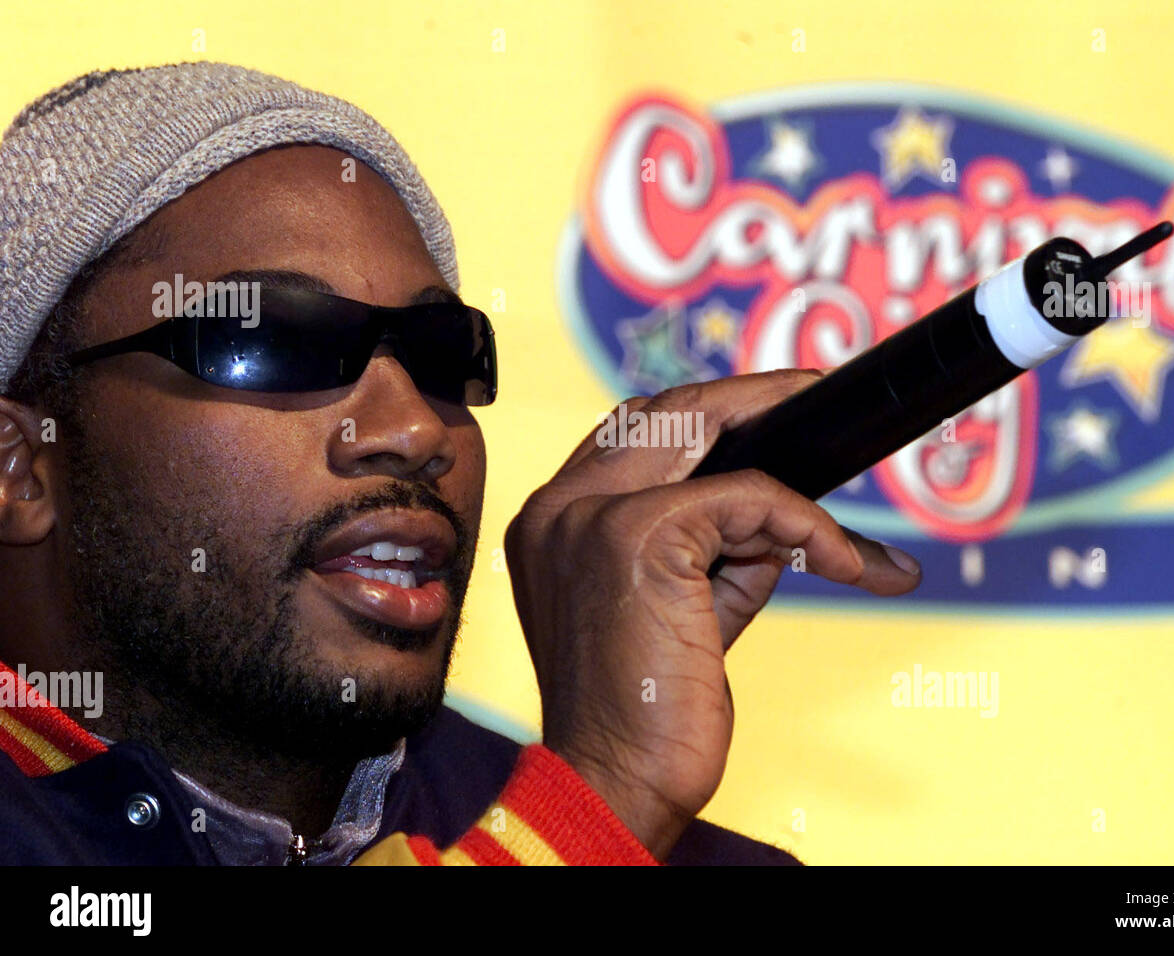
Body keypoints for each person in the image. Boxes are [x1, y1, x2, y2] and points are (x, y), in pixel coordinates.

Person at [0, 62, 922, 866]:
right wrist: (594, 809)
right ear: (22, 468)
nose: (413, 428)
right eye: (274, 340)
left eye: (443, 355)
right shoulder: (603, 821)